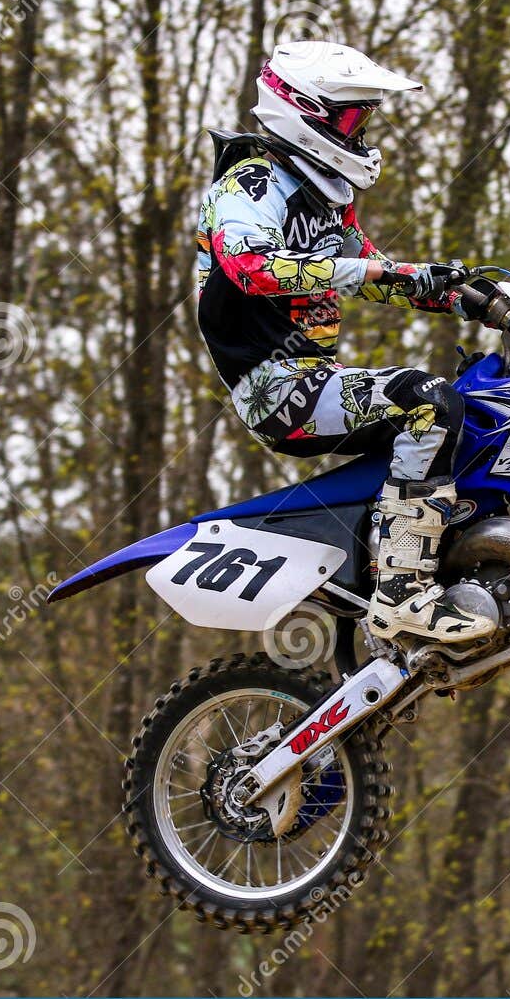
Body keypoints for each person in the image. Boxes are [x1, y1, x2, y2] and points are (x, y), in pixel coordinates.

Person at [195, 41, 494, 643]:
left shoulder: (326, 193)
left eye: (365, 118)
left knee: (482, 403)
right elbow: (251, 266)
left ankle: (445, 543)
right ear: (304, 111)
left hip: (313, 377)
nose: (360, 131)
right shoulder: (250, 185)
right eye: (352, 117)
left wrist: (448, 292)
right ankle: (404, 591)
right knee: (428, 401)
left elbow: (367, 266)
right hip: (276, 388)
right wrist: (375, 274)